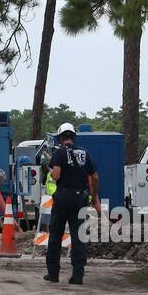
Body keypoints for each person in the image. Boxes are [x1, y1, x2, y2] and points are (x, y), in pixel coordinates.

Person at [45, 122, 99, 285]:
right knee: (78, 237)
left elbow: (56, 176)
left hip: (62, 198)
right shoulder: (85, 153)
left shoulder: (59, 153)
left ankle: (53, 273)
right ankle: (77, 275)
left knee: (55, 235)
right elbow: (95, 177)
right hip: (80, 198)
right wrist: (93, 195)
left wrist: (50, 167)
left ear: (61, 138)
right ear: (73, 137)